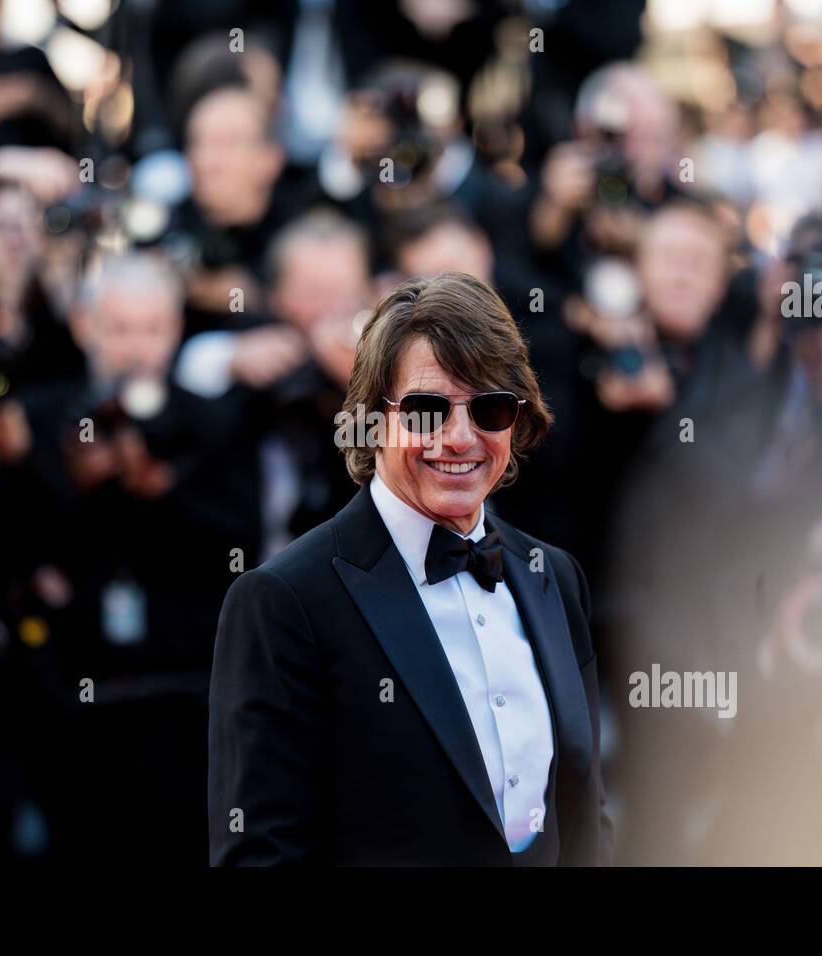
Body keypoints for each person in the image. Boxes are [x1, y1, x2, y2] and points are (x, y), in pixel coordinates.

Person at [208, 271, 609, 865]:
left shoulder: (553, 575)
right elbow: (261, 855)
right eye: (426, 410)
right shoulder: (283, 601)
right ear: (373, 420)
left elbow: (583, 817)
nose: (460, 437)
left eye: (490, 409)